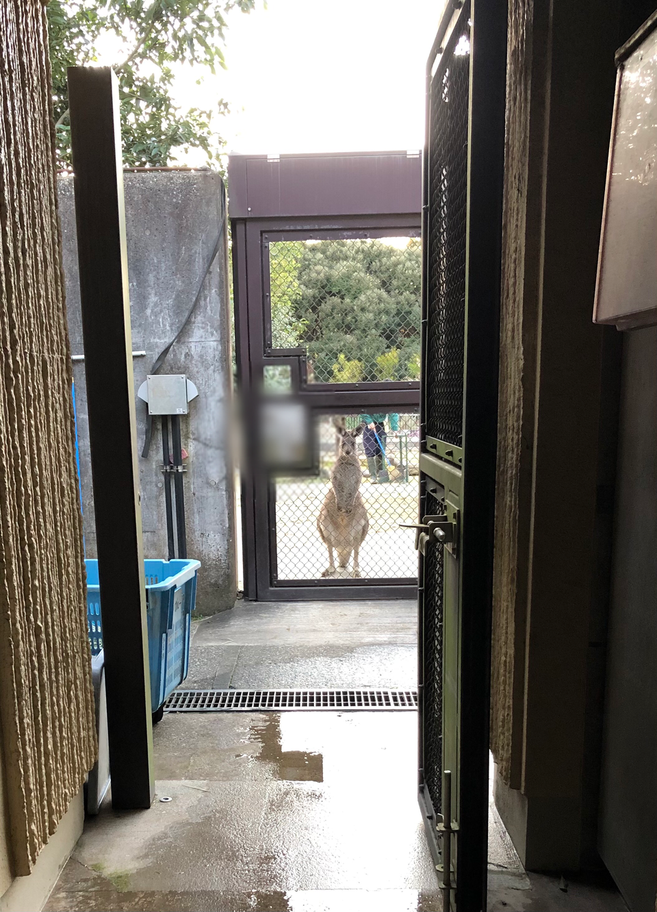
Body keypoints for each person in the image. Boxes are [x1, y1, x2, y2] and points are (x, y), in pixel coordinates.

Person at [359, 413, 399, 483]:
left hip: (380, 423)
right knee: (370, 449)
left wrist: (395, 429)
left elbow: (393, 412)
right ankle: (373, 476)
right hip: (367, 423)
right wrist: (369, 422)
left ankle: (381, 474)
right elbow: (362, 410)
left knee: (381, 449)